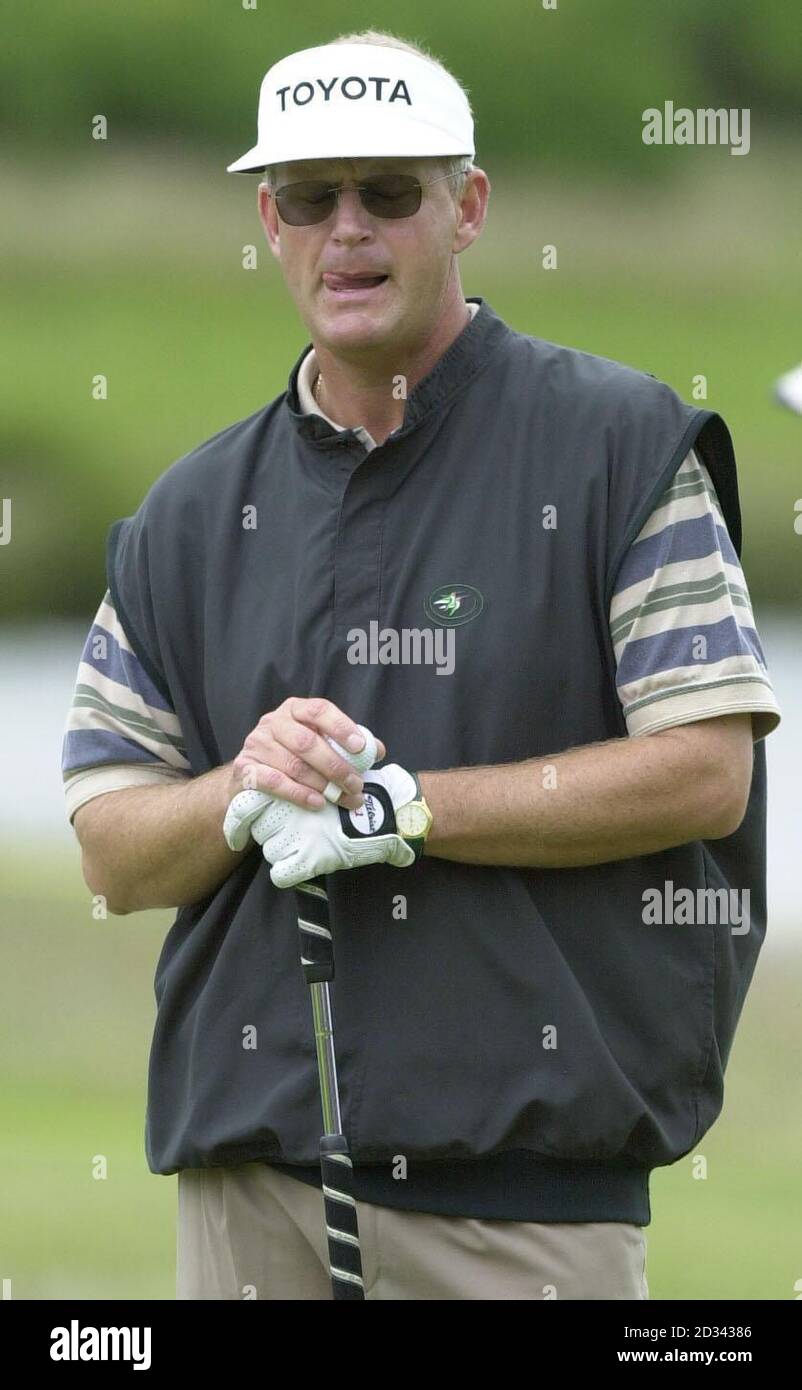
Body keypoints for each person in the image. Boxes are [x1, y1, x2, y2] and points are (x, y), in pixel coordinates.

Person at [62, 30, 782, 1301]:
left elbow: (704, 771)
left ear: (468, 207)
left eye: (390, 192)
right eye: (309, 196)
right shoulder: (185, 514)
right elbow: (114, 845)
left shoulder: (619, 447)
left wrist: (411, 809)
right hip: (247, 1192)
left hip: (522, 1208)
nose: (348, 229)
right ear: (267, 221)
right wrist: (240, 786)